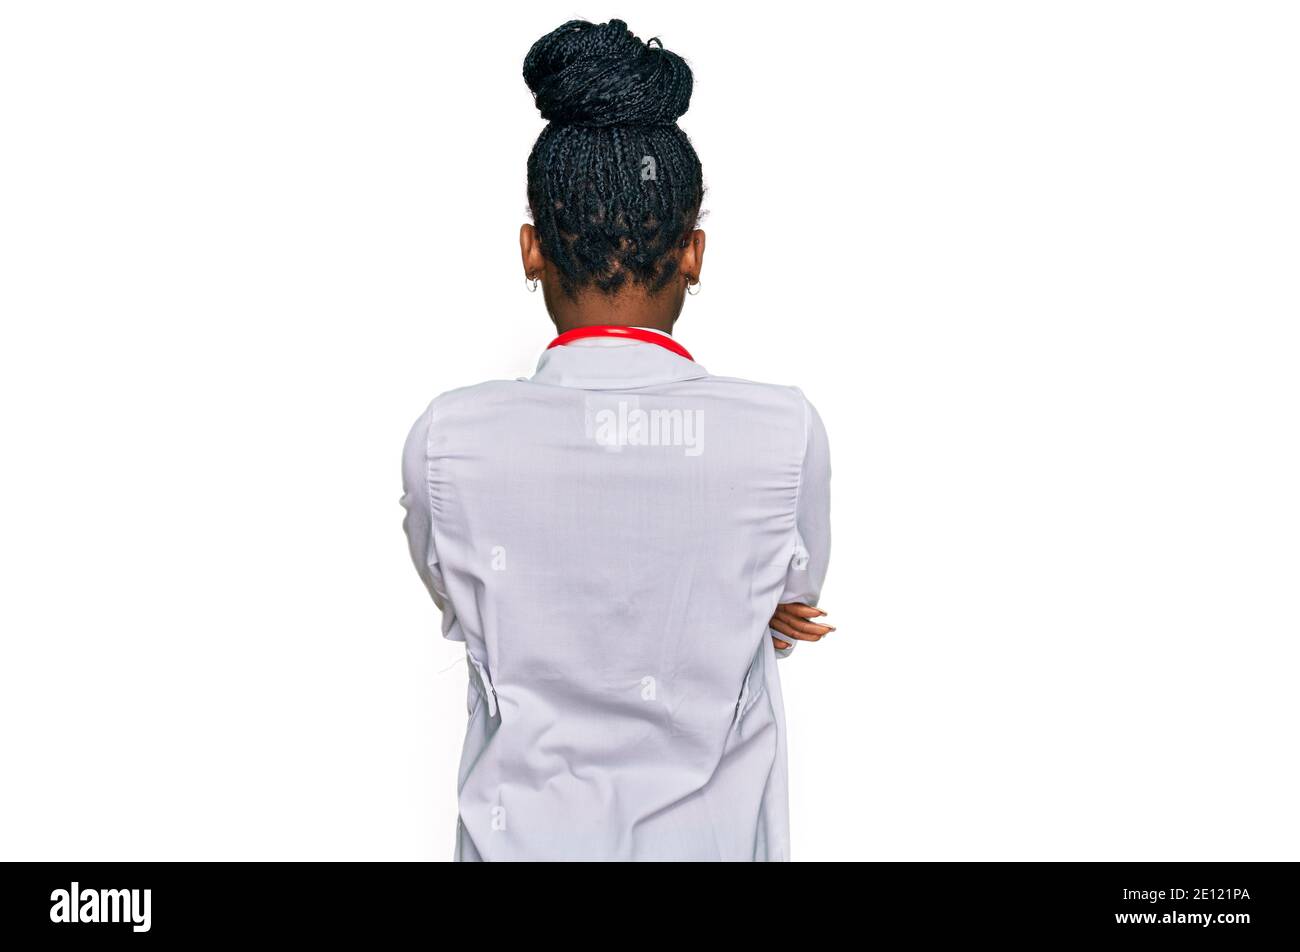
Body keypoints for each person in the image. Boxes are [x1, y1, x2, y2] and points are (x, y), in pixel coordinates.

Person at [401, 18, 832, 861]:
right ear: (694, 253)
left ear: (533, 249)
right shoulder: (784, 436)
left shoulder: (446, 442)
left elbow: (455, 592)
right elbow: (784, 608)